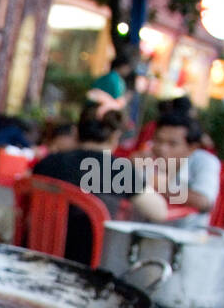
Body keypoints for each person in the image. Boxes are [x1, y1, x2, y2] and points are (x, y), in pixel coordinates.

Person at [33, 105, 167, 265]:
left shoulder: (47, 163)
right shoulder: (117, 170)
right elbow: (159, 212)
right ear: (114, 137)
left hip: (37, 252)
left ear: (76, 132)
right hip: (90, 263)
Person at [146, 111, 221, 228]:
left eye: (172, 144)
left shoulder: (205, 162)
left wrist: (157, 185)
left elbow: (203, 202)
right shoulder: (146, 157)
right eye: (158, 141)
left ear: (192, 148)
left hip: (186, 236)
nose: (161, 148)